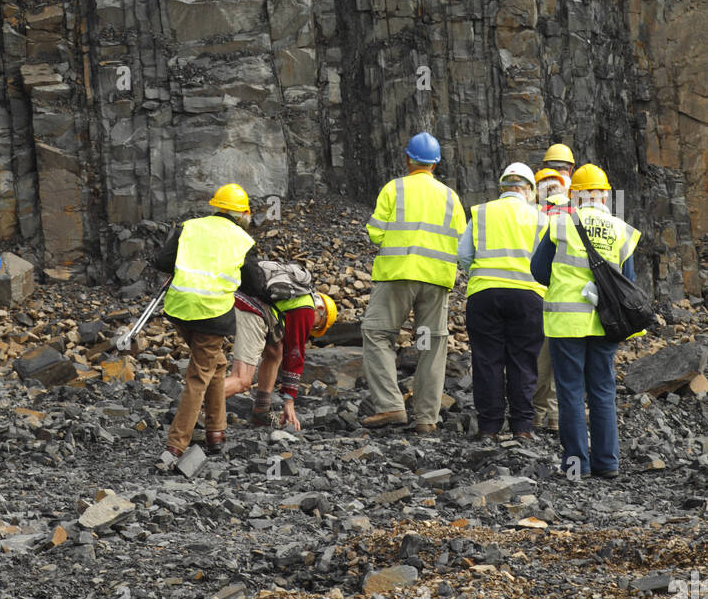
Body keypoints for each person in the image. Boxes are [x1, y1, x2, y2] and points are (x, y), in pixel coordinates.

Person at [530, 163, 639, 479]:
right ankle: (608, 464)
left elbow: (538, 271)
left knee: (570, 392)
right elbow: (628, 280)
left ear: (574, 195)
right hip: (607, 322)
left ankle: (576, 465)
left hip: (566, 322)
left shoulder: (560, 225)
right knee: (603, 391)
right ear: (604, 195)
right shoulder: (621, 230)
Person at [361, 131, 466, 433]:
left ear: (408, 159)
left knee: (377, 334)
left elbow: (375, 232)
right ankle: (426, 419)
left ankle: (391, 406)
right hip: (436, 280)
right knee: (431, 345)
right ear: (436, 164)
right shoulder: (450, 197)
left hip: (398, 274)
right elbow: (461, 242)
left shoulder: (394, 189)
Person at [153, 183, 267, 459]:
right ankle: (176, 445)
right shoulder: (241, 239)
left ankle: (216, 431)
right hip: (211, 314)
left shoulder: (189, 227)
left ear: (217, 206)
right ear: (242, 215)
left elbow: (160, 260)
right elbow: (256, 284)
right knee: (198, 375)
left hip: (180, 310)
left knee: (216, 364)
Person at [459, 163, 546, 440]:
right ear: (529, 190)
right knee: (523, 360)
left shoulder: (481, 212)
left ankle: (489, 427)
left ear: (503, 187)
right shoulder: (541, 219)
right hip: (528, 297)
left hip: (485, 294)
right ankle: (522, 427)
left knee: (487, 360)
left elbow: (463, 255)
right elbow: (548, 263)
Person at [224, 281, 337, 431]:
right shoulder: (307, 310)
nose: (311, 329)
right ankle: (197, 403)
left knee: (275, 351)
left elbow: (285, 348)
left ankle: (261, 410)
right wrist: (289, 401)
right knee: (242, 380)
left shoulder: (299, 295)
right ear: (321, 310)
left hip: (246, 299)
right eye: (316, 326)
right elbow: (295, 353)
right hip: (250, 309)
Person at [532, 167, 569, 432]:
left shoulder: (535, 213)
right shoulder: (574, 214)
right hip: (568, 297)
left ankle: (535, 415)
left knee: (540, 358)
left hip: (538, 294)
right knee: (561, 360)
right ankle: (556, 417)